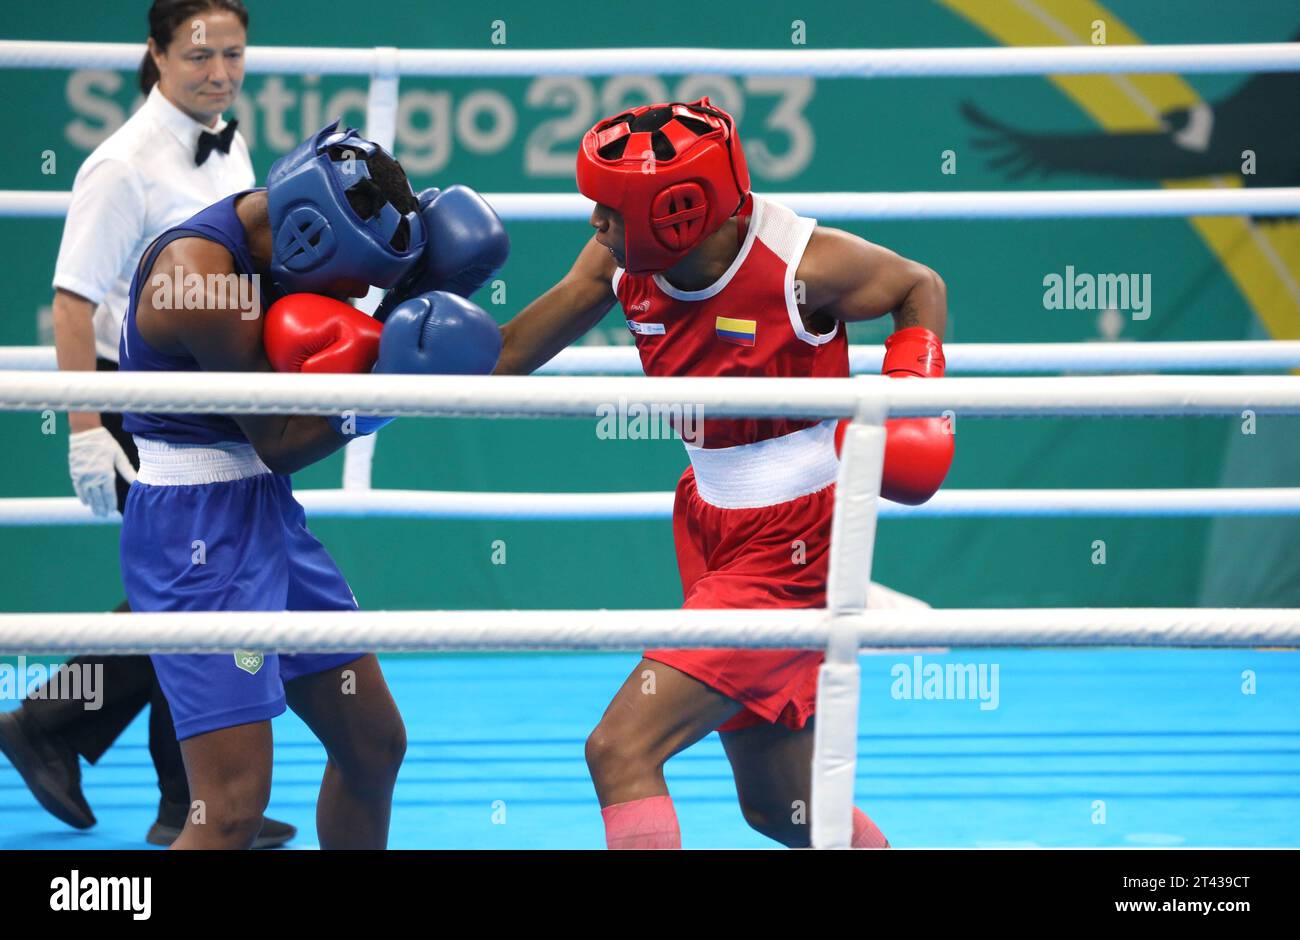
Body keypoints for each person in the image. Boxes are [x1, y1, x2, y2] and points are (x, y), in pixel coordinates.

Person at [494, 98, 953, 848]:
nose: (594, 226)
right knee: (781, 807)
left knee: (620, 749)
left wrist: (914, 393)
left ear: (672, 215)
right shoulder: (616, 261)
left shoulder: (804, 263)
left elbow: (917, 286)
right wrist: (401, 335)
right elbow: (508, 355)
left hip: (797, 543)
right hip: (708, 523)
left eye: (609, 212)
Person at [118, 119, 504, 849]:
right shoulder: (199, 278)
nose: (357, 295)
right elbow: (283, 441)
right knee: (229, 810)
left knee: (372, 746)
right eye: (355, 277)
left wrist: (408, 308)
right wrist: (392, 390)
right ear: (308, 235)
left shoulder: (283, 239)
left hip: (265, 516)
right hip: (193, 530)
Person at [0, 0, 297, 849]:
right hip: (134, 393)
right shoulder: (120, 164)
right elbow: (71, 301)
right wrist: (85, 425)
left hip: (200, 389)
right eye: (201, 55)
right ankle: (66, 733)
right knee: (186, 589)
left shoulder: (231, 141)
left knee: (190, 587)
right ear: (157, 56)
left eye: (234, 54)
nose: (220, 71)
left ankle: (178, 798)